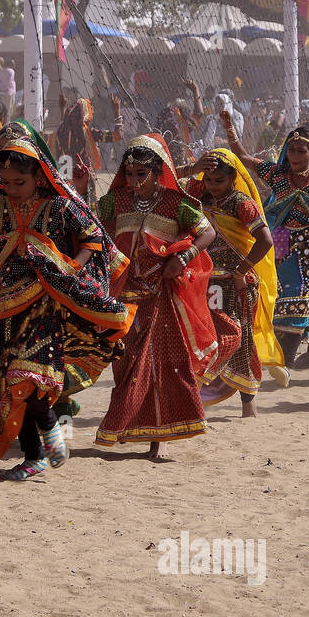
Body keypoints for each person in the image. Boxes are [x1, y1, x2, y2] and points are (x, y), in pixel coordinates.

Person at [0, 121, 130, 479]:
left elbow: (93, 239)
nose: (10, 189)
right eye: (5, 182)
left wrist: (72, 269)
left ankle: (47, 444)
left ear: (38, 176)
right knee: (7, 383)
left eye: (18, 183)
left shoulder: (58, 206)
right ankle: (38, 454)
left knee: (29, 380)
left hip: (43, 306)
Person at [95, 136, 218, 460]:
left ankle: (158, 439)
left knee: (158, 366)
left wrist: (184, 255)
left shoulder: (177, 204)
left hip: (160, 295)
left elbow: (208, 233)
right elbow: (93, 229)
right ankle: (131, 426)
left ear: (156, 172)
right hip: (122, 294)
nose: (134, 181)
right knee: (124, 364)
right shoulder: (115, 201)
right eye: (130, 173)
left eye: (141, 174)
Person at [224, 116, 309, 365]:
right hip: (282, 248)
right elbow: (244, 158)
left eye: (301, 150)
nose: (294, 155)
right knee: (283, 299)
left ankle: (292, 358)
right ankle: (283, 357)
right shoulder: (277, 173)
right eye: (291, 149)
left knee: (306, 298)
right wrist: (229, 128)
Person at [188, 148, 284, 415]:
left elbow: (265, 240)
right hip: (206, 281)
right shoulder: (200, 196)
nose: (212, 186)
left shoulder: (242, 203)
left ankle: (248, 403)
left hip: (237, 283)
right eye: (208, 179)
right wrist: (194, 167)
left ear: (233, 179)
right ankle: (198, 398)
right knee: (203, 336)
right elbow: (172, 185)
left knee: (241, 339)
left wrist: (242, 271)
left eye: (218, 180)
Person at [51, 91, 123, 205]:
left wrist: (62, 109)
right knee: (88, 210)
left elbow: (64, 123)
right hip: (84, 177)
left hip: (64, 177)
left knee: (67, 207)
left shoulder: (61, 130)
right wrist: (117, 112)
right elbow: (118, 135)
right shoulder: (89, 133)